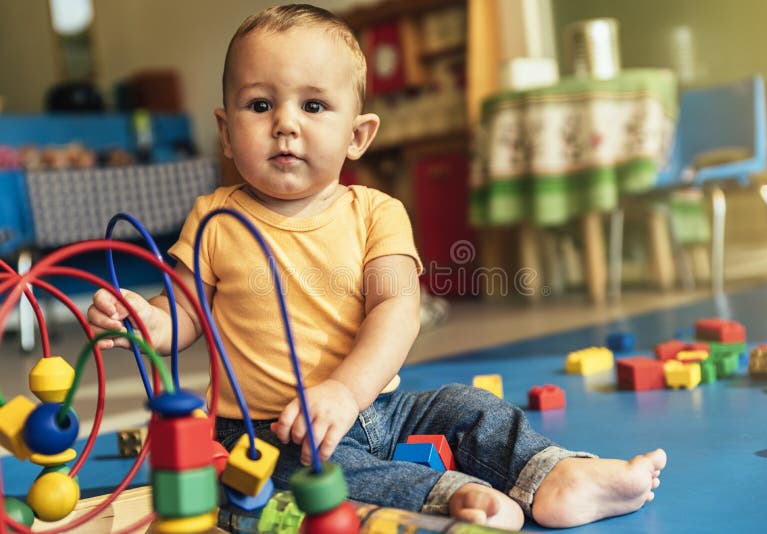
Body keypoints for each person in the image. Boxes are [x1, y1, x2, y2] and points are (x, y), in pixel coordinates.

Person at [87, 4, 666, 530]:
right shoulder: (213, 217)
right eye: (260, 104)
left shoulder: (376, 212)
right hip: (268, 429)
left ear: (357, 135)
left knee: (470, 407)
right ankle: (448, 497)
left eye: (313, 105)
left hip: (381, 405)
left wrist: (345, 390)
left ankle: (555, 474)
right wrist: (147, 323)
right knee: (301, 477)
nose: (285, 123)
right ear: (226, 133)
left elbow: (396, 309)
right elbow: (184, 312)